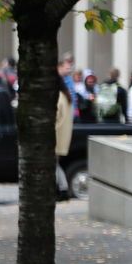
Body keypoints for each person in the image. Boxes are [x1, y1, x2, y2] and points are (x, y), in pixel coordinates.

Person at [55, 67, 75, 201]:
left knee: (53, 165)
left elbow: (55, 116)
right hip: (63, 136)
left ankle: (62, 189)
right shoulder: (66, 97)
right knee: (55, 164)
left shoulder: (58, 97)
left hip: (56, 135)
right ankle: (62, 188)